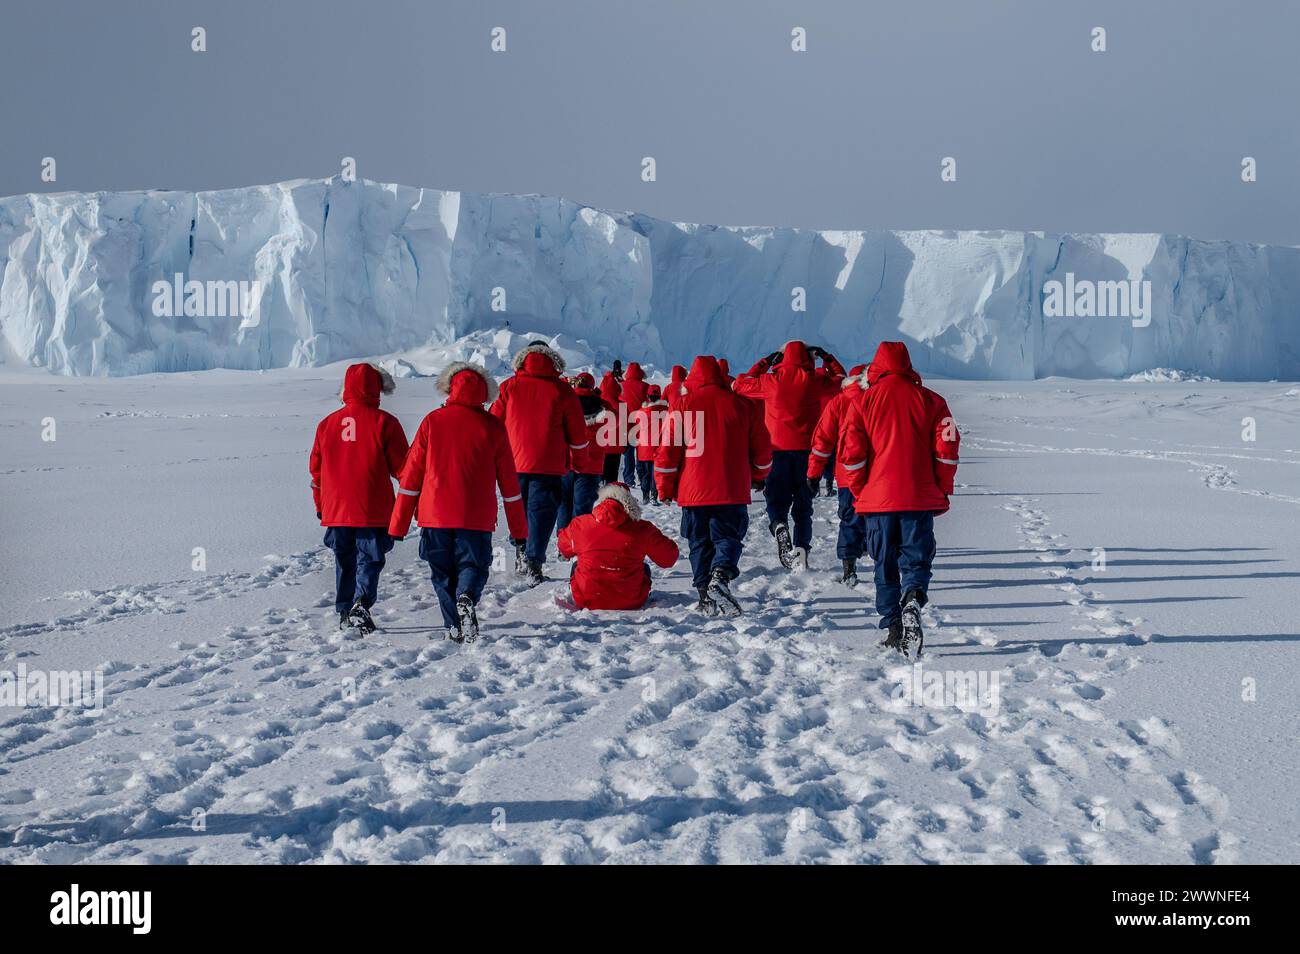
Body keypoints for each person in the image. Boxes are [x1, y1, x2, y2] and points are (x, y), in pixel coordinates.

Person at [389, 363, 527, 643]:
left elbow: (411, 475)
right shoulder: (493, 427)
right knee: (473, 566)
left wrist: (398, 524)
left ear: (449, 388)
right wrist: (519, 530)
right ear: (485, 393)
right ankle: (467, 596)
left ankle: (453, 625)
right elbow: (510, 484)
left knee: (441, 572)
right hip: (476, 517)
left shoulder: (432, 421)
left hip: (434, 515)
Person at [838, 341, 960, 656]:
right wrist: (942, 488)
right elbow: (947, 449)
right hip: (918, 499)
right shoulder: (933, 402)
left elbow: (851, 455)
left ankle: (893, 627)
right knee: (916, 558)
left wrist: (859, 489)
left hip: (877, 502)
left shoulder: (862, 403)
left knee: (884, 563)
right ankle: (913, 599)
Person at [656, 355, 772, 615]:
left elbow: (667, 453)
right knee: (728, 537)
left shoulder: (683, 405)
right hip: (731, 488)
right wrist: (758, 475)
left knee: (698, 542)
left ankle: (703, 594)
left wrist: (664, 487)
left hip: (693, 490)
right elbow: (762, 449)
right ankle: (720, 575)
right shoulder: (743, 405)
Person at [309, 363, 409, 634]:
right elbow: (403, 469)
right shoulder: (386, 423)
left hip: (336, 508)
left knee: (344, 559)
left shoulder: (326, 424)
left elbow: (316, 473)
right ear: (377, 388)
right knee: (370, 558)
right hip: (371, 508)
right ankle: (361, 603)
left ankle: (344, 610)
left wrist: (321, 507)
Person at [732, 341, 845, 569]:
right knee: (804, 508)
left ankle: (779, 525)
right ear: (807, 359)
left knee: (776, 501)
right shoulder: (814, 381)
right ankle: (802, 550)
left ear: (782, 360)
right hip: (807, 454)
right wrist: (826, 356)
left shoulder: (771, 382)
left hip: (777, 453)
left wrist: (767, 361)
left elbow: (740, 384)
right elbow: (841, 380)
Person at [490, 341, 588, 585]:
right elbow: (577, 431)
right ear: (552, 360)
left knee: (518, 510)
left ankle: (521, 550)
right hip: (548, 464)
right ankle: (534, 561)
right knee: (541, 513)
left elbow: (493, 424)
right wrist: (581, 462)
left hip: (513, 463)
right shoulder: (562, 391)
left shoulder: (509, 387)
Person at [556, 483, 680, 610]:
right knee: (644, 568)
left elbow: (563, 548)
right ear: (629, 502)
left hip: (587, 600)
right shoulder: (642, 528)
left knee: (577, 565)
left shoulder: (581, 524)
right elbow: (669, 558)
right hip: (631, 600)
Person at [806, 363, 868, 586]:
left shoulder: (839, 402)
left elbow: (822, 441)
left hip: (847, 473)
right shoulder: (877, 400)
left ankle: (849, 565)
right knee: (878, 519)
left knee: (849, 518)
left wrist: (813, 474)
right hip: (878, 474)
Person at [559, 372, 614, 534]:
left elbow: (554, 387)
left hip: (566, 462)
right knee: (582, 507)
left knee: (564, 503)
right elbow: (614, 420)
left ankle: (563, 541)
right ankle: (579, 540)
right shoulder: (603, 407)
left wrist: (566, 382)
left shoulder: (565, 402)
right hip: (591, 466)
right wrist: (599, 397)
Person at [631, 384, 667, 504]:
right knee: (656, 473)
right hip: (659, 447)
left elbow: (636, 429)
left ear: (648, 396)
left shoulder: (641, 412)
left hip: (644, 448)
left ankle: (645, 494)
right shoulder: (665, 412)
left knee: (645, 472)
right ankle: (654, 495)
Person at [618, 362, 649, 484]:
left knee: (628, 453)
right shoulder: (645, 386)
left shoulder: (621, 386)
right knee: (641, 453)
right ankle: (642, 477)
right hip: (641, 423)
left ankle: (629, 478)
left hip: (626, 423)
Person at [598, 365, 624, 483]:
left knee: (598, 475)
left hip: (599, 446)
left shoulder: (596, 403)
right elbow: (625, 427)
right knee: (612, 478)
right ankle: (610, 498)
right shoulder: (621, 405)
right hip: (615, 447)